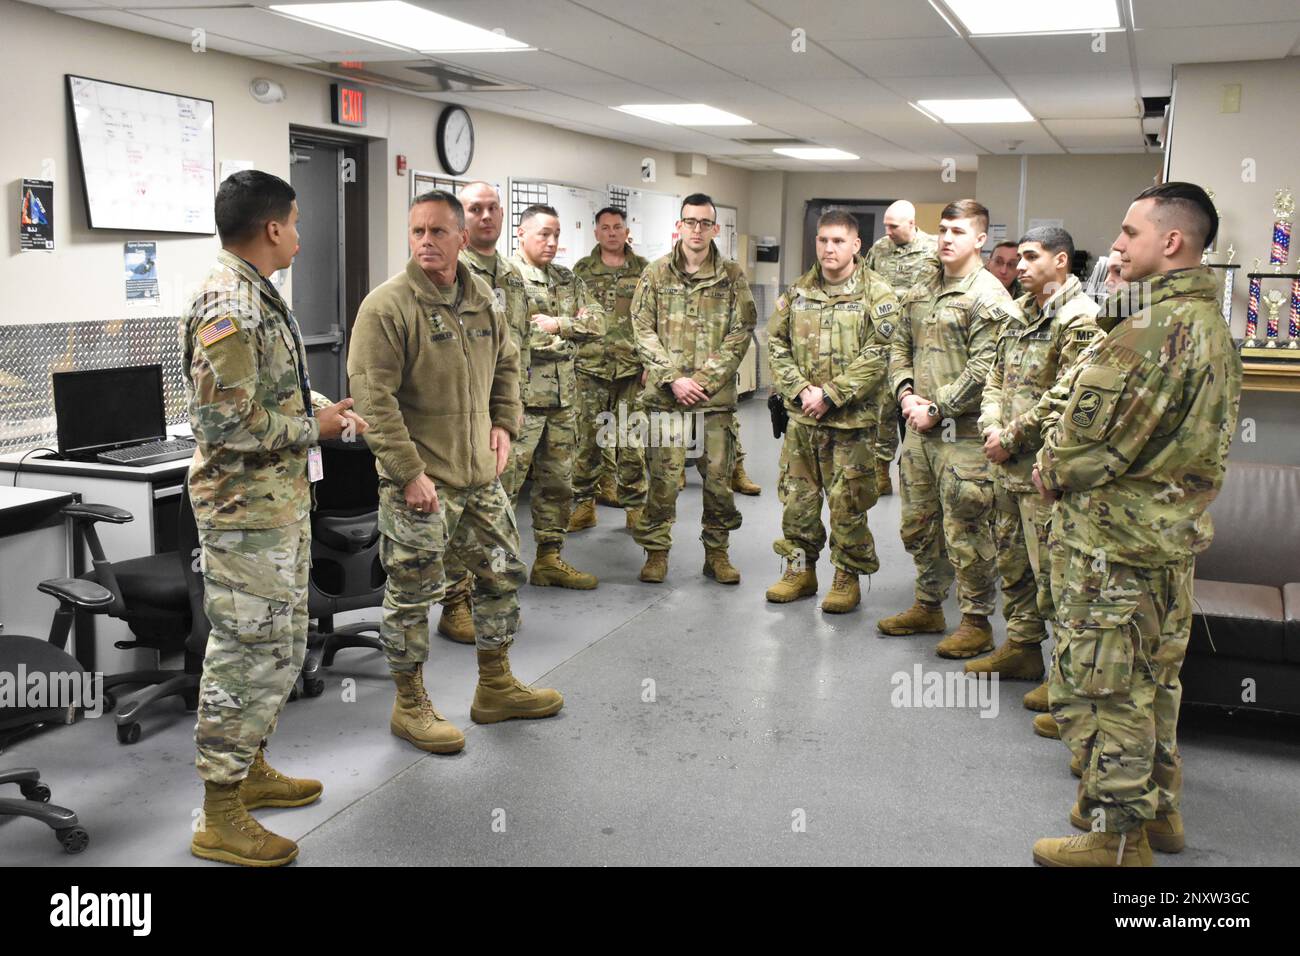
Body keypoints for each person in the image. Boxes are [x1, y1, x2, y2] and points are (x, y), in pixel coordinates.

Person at [1030, 183, 1242, 867]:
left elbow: (1088, 449)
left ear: (1171, 241)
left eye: (1129, 232)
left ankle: (1117, 840)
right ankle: (1161, 815)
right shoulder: (1209, 326)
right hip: (1166, 543)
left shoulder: (1153, 332)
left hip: (1116, 549)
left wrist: (1049, 471)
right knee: (1154, 683)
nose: (1116, 246)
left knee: (1107, 687)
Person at [184, 169, 367, 867]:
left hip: (277, 506)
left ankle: (251, 768)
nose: (299, 234)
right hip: (244, 517)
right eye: (294, 222)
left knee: (279, 648)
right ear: (272, 228)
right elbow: (224, 420)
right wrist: (310, 428)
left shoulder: (257, 294)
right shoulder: (227, 303)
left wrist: (325, 408)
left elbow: (272, 388)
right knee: (244, 653)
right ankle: (219, 812)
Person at [348, 190, 563, 757]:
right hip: (421, 482)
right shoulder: (387, 307)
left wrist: (505, 422)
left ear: (462, 239)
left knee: (500, 576)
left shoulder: (483, 298)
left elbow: (509, 361)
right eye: (417, 231)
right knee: (414, 596)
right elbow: (373, 400)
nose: (425, 241)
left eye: (438, 232)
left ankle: (495, 686)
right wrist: (407, 472)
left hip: (480, 476)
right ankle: (409, 703)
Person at [966, 226, 1101, 716]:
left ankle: (1064, 677)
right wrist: (990, 427)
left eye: (1030, 257)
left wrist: (1012, 437)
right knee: (1014, 569)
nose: (1018, 266)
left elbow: (1067, 395)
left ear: (1060, 260)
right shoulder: (1019, 313)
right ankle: (1023, 650)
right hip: (1005, 468)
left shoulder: (1079, 318)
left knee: (1055, 578)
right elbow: (994, 379)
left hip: (1043, 475)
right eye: (1017, 258)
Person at [877, 199, 1020, 657]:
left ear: (980, 239)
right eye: (942, 229)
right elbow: (898, 344)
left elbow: (985, 369)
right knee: (919, 524)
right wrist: (904, 394)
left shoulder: (990, 295)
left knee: (967, 530)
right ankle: (928, 605)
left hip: (964, 440)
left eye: (957, 231)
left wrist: (937, 408)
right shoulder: (922, 288)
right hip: (918, 432)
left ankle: (976, 621)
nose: (945, 238)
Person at [766, 210, 899, 612]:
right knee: (797, 501)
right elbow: (776, 343)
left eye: (838, 241)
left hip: (851, 423)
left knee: (848, 503)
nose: (828, 248)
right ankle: (799, 572)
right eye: (823, 240)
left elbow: (879, 354)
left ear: (856, 245)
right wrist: (802, 389)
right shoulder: (798, 291)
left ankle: (846, 577)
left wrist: (831, 394)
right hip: (802, 420)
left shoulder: (878, 293)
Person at [631, 192, 756, 584]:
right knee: (663, 482)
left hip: (713, 403)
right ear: (679, 226)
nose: (697, 229)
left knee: (718, 483)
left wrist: (701, 382)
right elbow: (642, 328)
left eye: (705, 223)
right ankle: (656, 553)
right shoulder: (655, 274)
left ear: (715, 228)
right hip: (667, 401)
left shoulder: (733, 276)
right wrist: (673, 378)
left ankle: (717, 554)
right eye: (690, 221)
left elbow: (742, 331)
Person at [430, 181, 530, 646]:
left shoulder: (509, 277)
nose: (486, 215)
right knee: (454, 525)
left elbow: (511, 354)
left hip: (497, 421)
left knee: (495, 525)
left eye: (493, 208)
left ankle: (486, 606)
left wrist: (506, 419)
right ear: (461, 224)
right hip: (452, 430)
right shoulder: (444, 273)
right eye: (475, 209)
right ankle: (454, 603)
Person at [499, 204, 605, 589]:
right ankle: (498, 570)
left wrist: (560, 324)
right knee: (505, 489)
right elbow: (515, 335)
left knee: (558, 485)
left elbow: (598, 322)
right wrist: (567, 343)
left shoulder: (567, 278)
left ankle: (549, 559)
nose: (552, 242)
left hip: (563, 405)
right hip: (521, 405)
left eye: (557, 234)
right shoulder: (507, 279)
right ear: (521, 234)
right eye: (543, 233)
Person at [571, 207, 649, 531]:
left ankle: (635, 509)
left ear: (626, 230)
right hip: (590, 368)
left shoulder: (645, 269)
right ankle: (585, 505)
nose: (612, 233)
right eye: (606, 228)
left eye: (618, 227)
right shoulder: (581, 270)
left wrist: (651, 363)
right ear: (596, 233)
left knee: (632, 442)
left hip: (631, 369)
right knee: (588, 441)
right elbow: (572, 315)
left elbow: (652, 319)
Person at [862, 200, 940, 496]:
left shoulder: (933, 249)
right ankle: (881, 470)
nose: (888, 230)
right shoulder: (879, 249)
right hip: (885, 343)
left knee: (916, 406)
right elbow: (865, 285)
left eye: (893, 226)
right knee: (883, 408)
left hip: (921, 344)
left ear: (911, 223)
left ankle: (913, 470)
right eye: (886, 225)